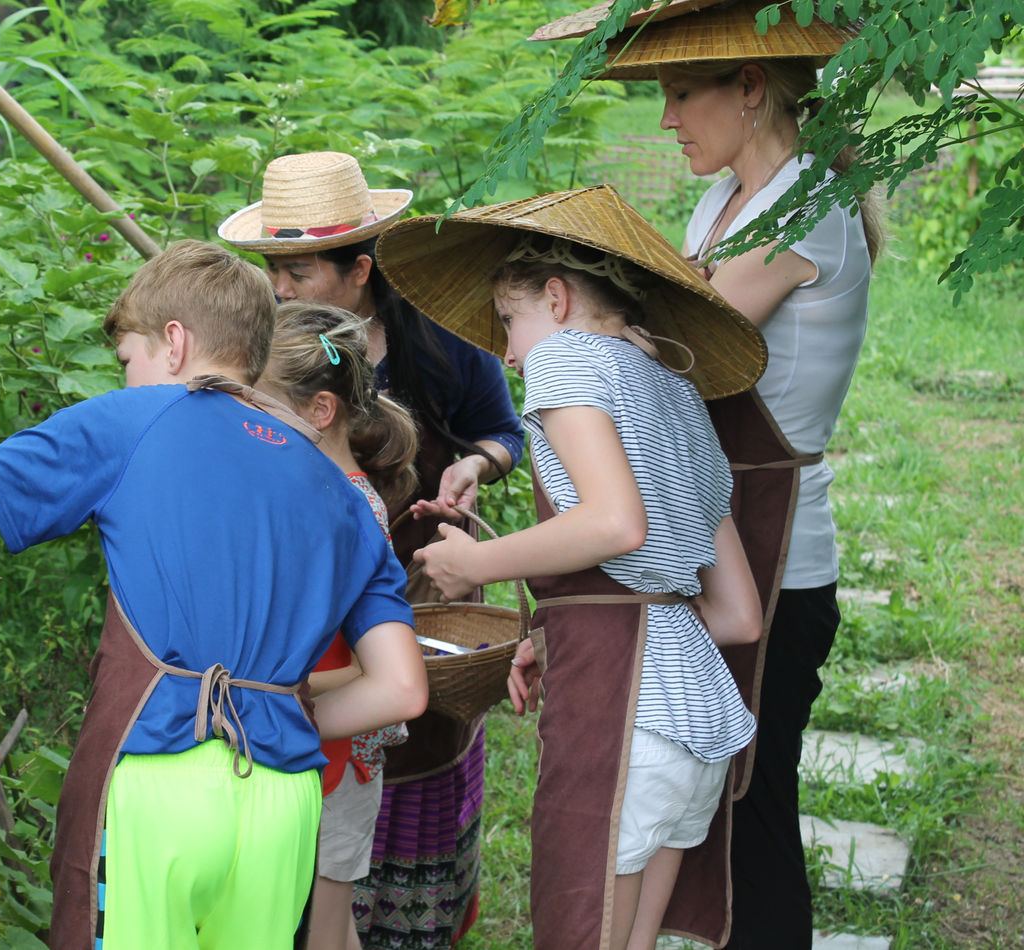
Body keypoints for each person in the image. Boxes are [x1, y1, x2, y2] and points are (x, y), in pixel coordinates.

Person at [0, 240, 428, 950]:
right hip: (282, 804)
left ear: (173, 343)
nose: (127, 377)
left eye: (126, 360)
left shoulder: (136, 421)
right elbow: (403, 688)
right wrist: (269, 708)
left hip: (159, 786)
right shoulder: (343, 495)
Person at [530, 2, 882, 944]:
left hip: (777, 544)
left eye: (682, 94)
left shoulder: (805, 212)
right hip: (718, 523)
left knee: (754, 809)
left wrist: (569, 324)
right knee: (705, 802)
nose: (667, 119)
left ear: (751, 88)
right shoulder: (725, 203)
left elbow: (676, 346)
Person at [375, 184, 769, 950]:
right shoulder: (681, 396)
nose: (511, 354)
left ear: (555, 299)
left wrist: (477, 561)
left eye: (510, 324)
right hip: (698, 722)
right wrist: (565, 632)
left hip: (631, 720)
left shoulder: (567, 357)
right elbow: (737, 616)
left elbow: (615, 523)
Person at [220, 151, 525, 946]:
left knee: (406, 745)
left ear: (360, 268)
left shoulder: (444, 340)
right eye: (273, 269)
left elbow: (504, 432)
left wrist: (473, 463)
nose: (280, 288)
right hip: (315, 632)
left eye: (297, 271)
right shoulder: (275, 352)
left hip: (420, 594)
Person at [258, 301, 418, 950]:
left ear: (318, 412)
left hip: (339, 754)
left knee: (323, 927)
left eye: (259, 412)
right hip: (311, 742)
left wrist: (275, 698)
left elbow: (367, 668)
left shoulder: (351, 512)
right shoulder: (313, 497)